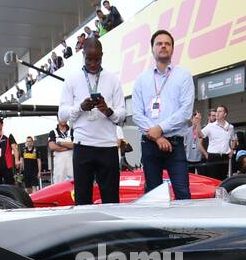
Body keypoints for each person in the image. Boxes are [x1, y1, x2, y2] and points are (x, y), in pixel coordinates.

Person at [58, 36, 125, 205]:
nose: (93, 64)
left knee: (111, 200)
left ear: (102, 56)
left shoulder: (113, 79)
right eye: (89, 59)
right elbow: (62, 115)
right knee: (82, 199)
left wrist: (107, 110)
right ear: (83, 55)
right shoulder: (72, 79)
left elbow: (123, 113)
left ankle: (111, 232)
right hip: (83, 146)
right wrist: (80, 107)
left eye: (97, 59)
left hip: (108, 146)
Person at [132, 28, 196, 199]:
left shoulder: (183, 76)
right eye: (159, 43)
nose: (163, 46)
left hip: (175, 145)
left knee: (183, 194)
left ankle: (186, 227)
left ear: (172, 49)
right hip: (150, 145)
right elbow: (137, 114)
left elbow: (186, 111)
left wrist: (160, 128)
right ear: (152, 48)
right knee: (153, 196)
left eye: (167, 44)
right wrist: (157, 136)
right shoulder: (141, 80)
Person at [49, 119, 75, 184]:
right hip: (59, 165)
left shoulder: (72, 131)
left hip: (71, 163)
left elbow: (76, 145)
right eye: (61, 118)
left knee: (73, 185)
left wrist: (61, 143)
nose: (63, 120)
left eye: (65, 118)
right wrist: (69, 147)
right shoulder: (53, 132)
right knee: (58, 184)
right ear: (58, 119)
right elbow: (52, 147)